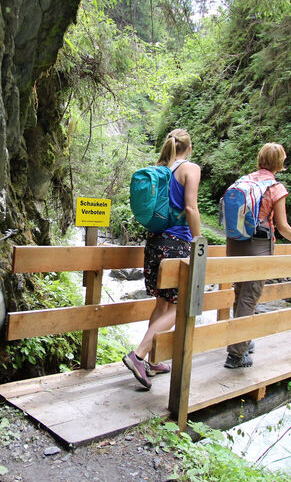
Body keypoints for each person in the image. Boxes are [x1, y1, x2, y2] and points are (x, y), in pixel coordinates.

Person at [224, 142, 291, 369]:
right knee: (250, 296)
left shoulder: (243, 181)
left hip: (234, 242)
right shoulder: (275, 188)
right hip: (258, 245)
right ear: (279, 162)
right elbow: (282, 226)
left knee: (240, 292)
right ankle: (236, 355)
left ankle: (242, 340)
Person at [123, 129, 201, 390]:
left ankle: (151, 360)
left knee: (162, 304)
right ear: (188, 148)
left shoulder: (161, 169)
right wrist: (199, 241)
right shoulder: (190, 169)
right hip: (177, 244)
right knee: (180, 306)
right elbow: (190, 207)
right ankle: (139, 355)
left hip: (155, 242)